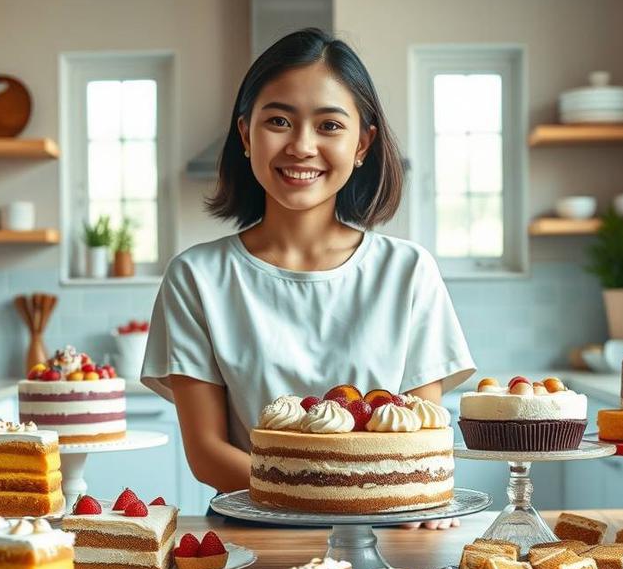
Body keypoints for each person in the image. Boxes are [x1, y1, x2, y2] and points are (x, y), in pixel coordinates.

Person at [141, 29, 474, 529]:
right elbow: (208, 453)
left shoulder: (407, 272)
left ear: (362, 143)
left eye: (329, 125)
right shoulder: (196, 277)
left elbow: (419, 443)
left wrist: (398, 507)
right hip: (253, 536)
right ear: (246, 134)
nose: (301, 146)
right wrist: (338, 501)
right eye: (278, 120)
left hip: (381, 536)